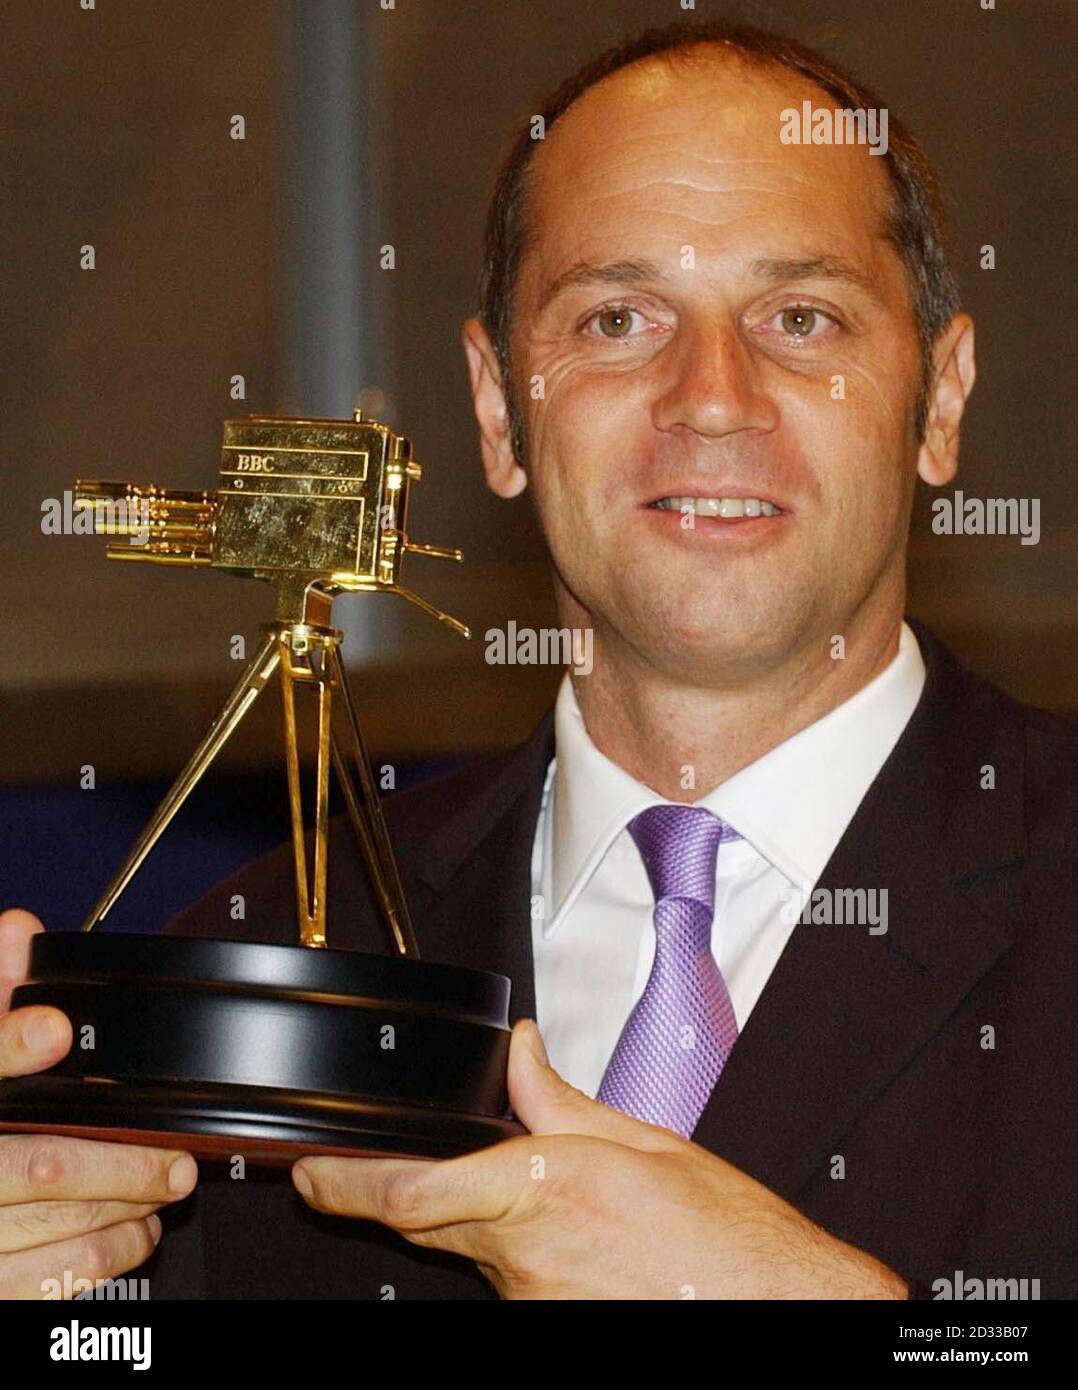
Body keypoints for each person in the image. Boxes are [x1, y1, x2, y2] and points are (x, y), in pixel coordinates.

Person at [2, 20, 1075, 1301]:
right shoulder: (264, 956)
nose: (713, 394)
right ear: (500, 411)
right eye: (618, 317)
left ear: (939, 400)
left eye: (802, 315)